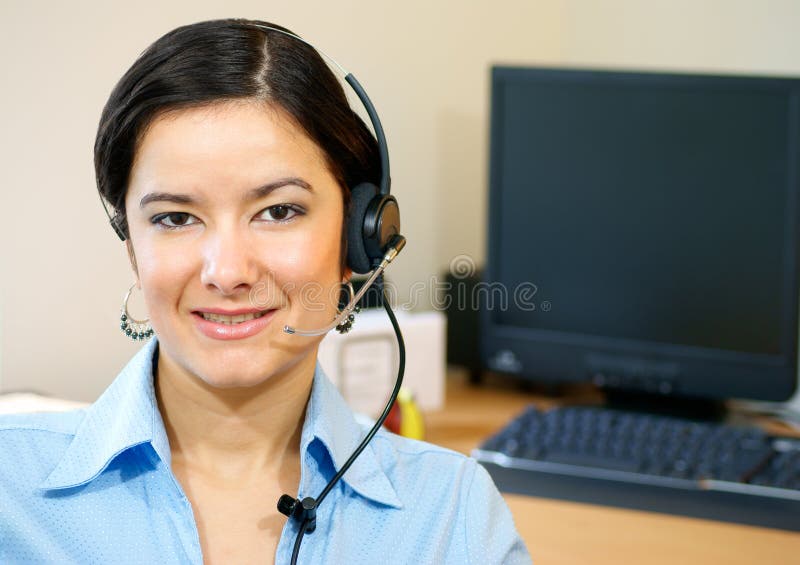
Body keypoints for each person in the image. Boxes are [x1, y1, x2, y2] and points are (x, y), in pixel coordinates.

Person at [0, 18, 531, 564]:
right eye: (176, 217)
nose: (227, 272)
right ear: (132, 247)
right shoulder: (9, 492)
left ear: (360, 239)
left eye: (279, 211)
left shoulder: (451, 520)